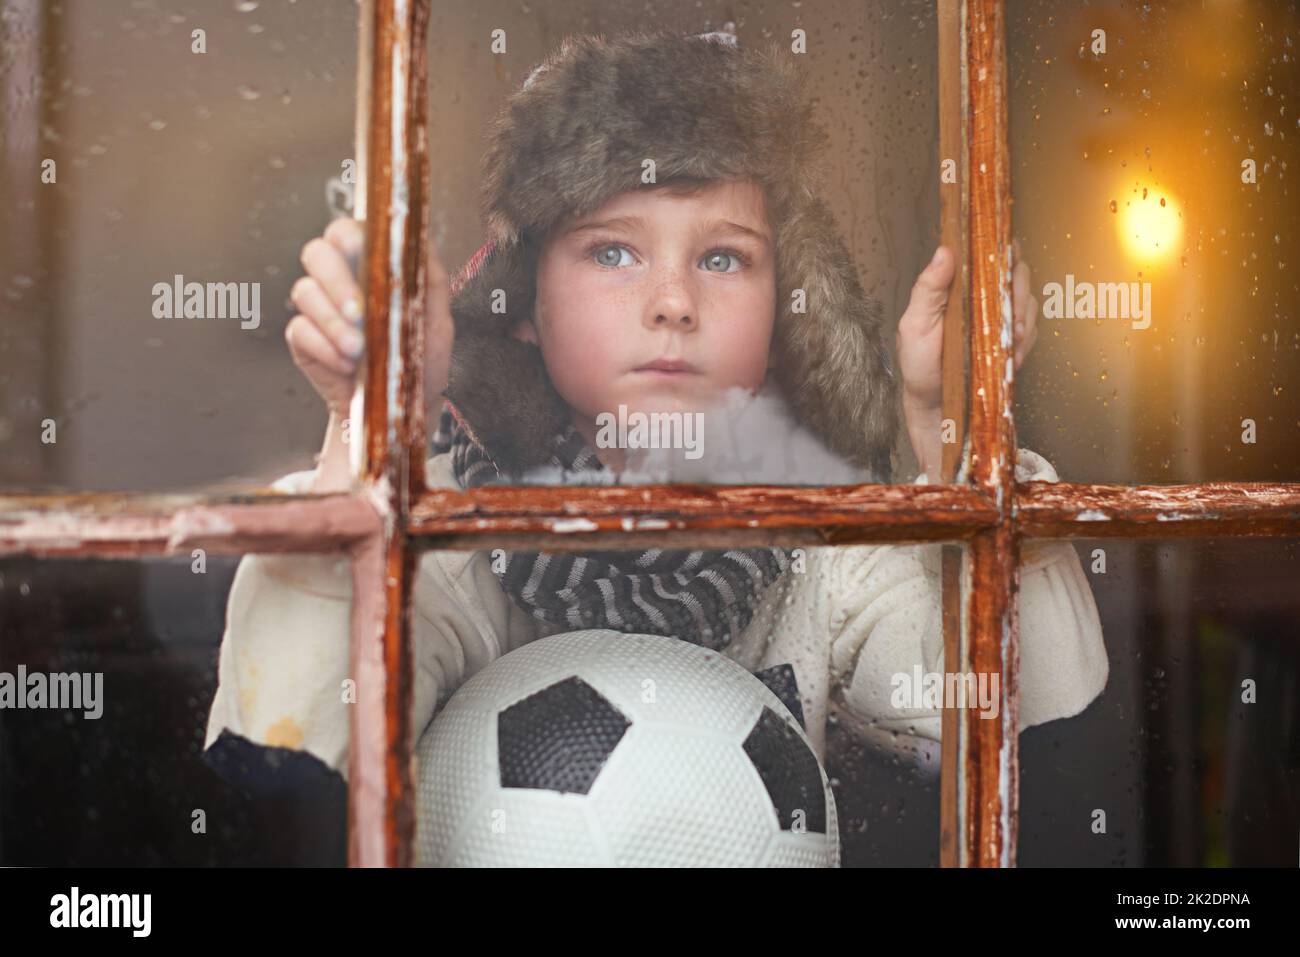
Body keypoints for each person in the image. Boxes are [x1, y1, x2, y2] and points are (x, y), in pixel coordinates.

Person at [204, 29, 1106, 788]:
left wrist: (957, 435)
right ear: (524, 309)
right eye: (611, 253)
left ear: (786, 313)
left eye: (723, 259)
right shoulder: (444, 542)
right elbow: (284, 787)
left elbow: (1030, 747)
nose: (674, 300)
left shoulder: (829, 546)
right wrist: (367, 443)